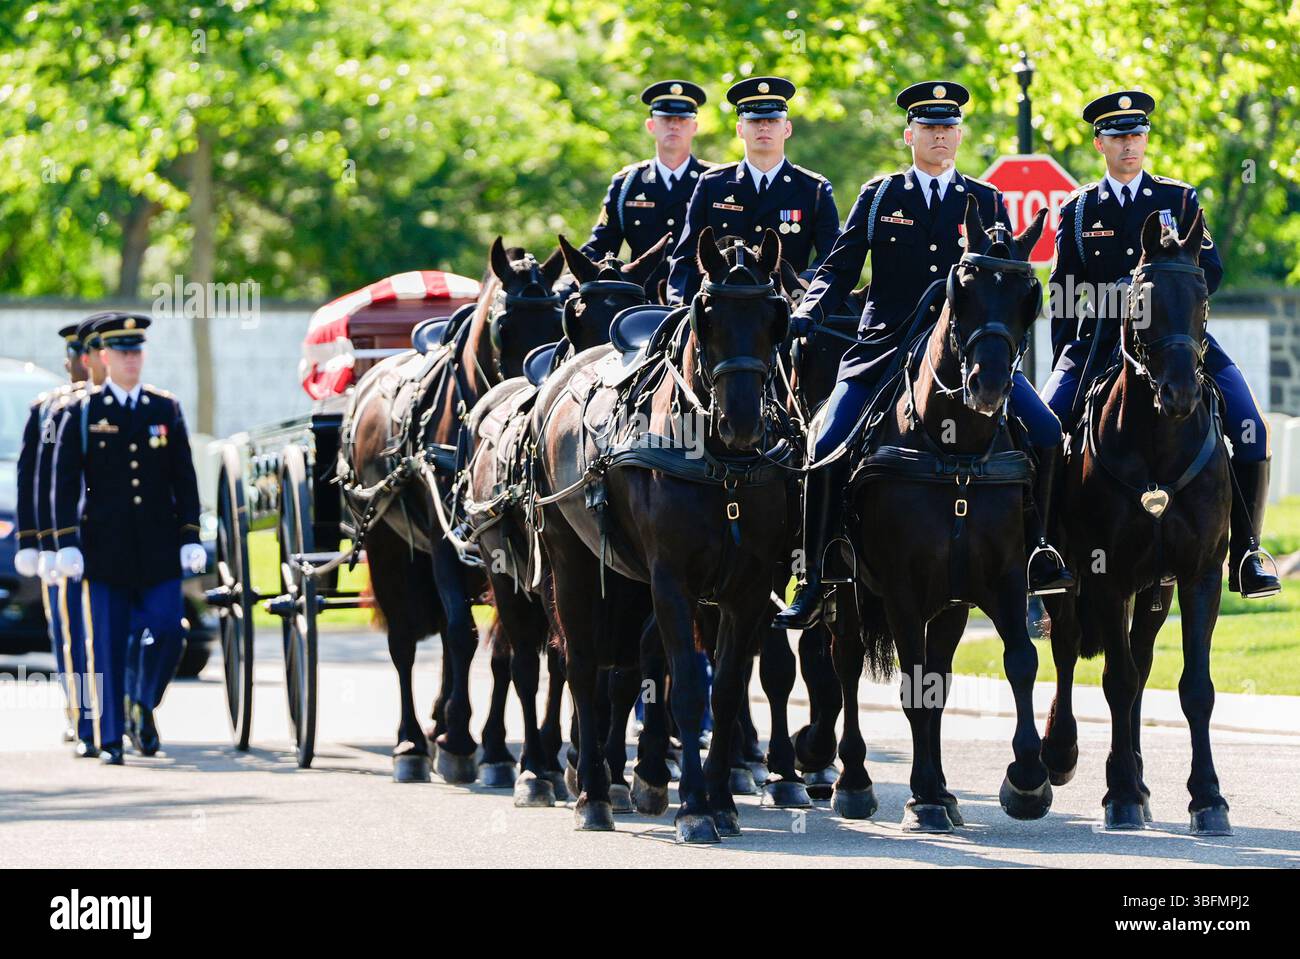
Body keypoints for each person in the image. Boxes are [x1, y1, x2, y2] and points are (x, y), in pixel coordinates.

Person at [775, 80, 1073, 630]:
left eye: (949, 127)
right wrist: (807, 312)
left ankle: (1038, 556)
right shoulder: (880, 195)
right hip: (886, 347)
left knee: (1049, 433)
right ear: (909, 134)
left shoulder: (986, 200)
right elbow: (840, 269)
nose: (940, 136)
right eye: (930, 128)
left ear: (959, 135)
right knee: (826, 439)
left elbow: (1005, 276)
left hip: (968, 355)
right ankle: (816, 575)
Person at [1041, 90, 1277, 598]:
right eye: (1119, 137)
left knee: (1251, 427)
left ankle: (1248, 552)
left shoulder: (1179, 199)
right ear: (1099, 143)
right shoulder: (1078, 210)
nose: (1130, 145)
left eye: (1137, 135)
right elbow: (1062, 292)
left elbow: (1210, 270)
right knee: (1040, 428)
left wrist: (1168, 287)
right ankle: (1045, 549)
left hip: (1178, 345)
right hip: (1100, 346)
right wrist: (1071, 350)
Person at [52, 313, 205, 764]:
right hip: (106, 550)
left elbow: (184, 476)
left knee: (168, 630)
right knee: (109, 642)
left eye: (137, 352)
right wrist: (65, 542)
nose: (131, 360)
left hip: (158, 549)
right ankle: (112, 738)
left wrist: (190, 533)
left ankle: (143, 699)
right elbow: (63, 482)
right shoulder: (84, 412)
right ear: (104, 358)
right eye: (122, 353)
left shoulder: (164, 408)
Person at [665, 75, 841, 303]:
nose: (764, 127)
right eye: (755, 121)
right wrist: (680, 307)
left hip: (786, 308)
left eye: (773, 120)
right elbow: (687, 256)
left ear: (787, 129)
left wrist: (802, 284)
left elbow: (832, 256)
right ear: (740, 129)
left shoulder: (813, 189)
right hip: (719, 309)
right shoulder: (712, 184)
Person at [15, 318, 106, 753]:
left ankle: (112, 708)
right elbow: (36, 480)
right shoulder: (49, 409)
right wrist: (34, 542)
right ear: (70, 361)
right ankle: (81, 712)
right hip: (62, 538)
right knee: (72, 630)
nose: (82, 365)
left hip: (107, 535)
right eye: (78, 357)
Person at [580, 80, 714, 297]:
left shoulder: (714, 181)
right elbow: (601, 246)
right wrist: (568, 279)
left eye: (682, 119)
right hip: (639, 300)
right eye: (666, 118)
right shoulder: (627, 183)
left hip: (700, 302)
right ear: (651, 125)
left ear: (694, 127)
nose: (674, 125)